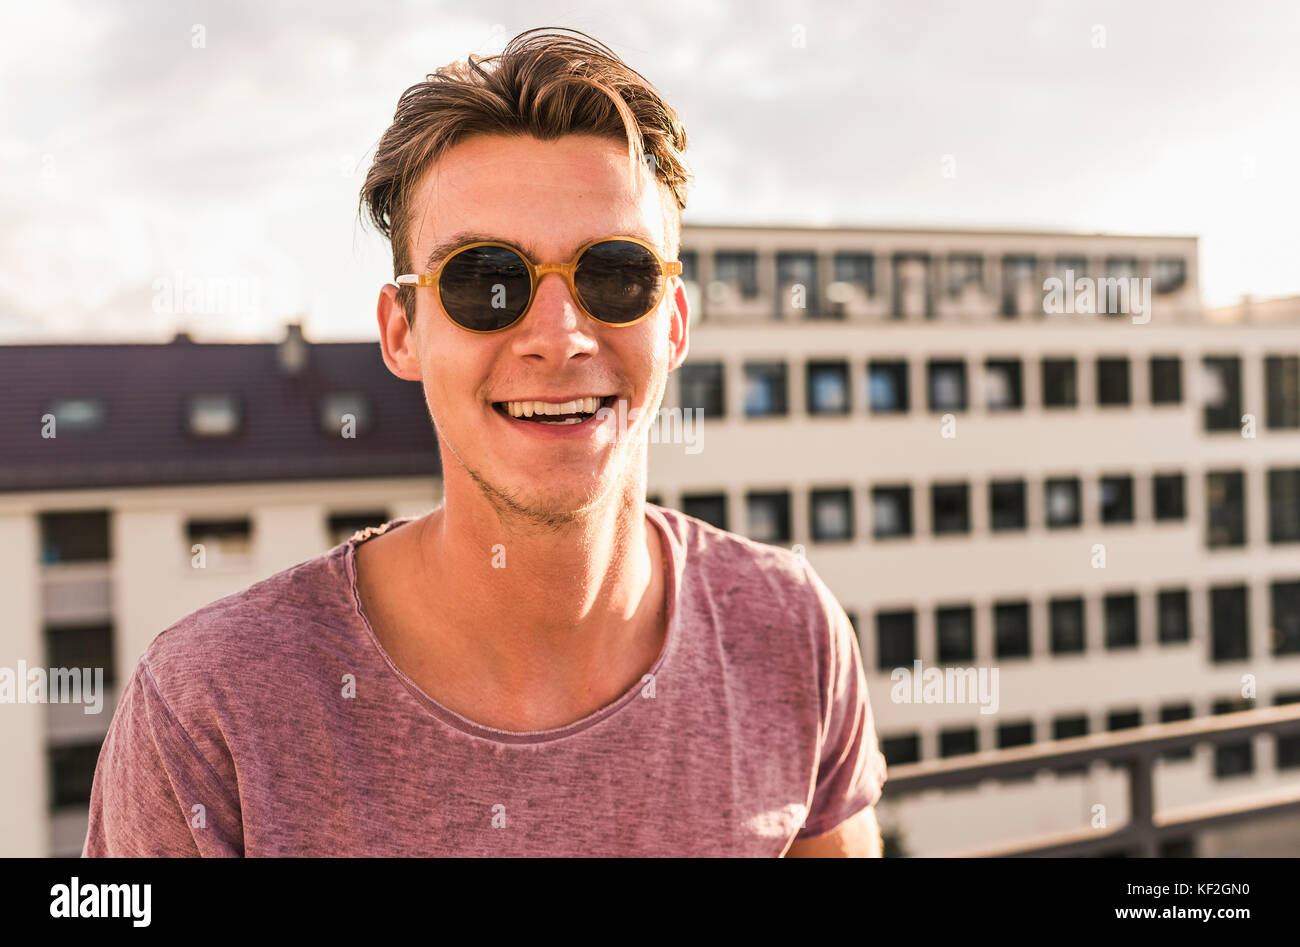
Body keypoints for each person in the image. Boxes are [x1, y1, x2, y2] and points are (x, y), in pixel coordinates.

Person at [83, 27, 887, 857]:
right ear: (402, 332)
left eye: (615, 274)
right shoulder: (208, 711)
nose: (559, 336)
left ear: (673, 322)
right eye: (484, 281)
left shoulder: (791, 632)